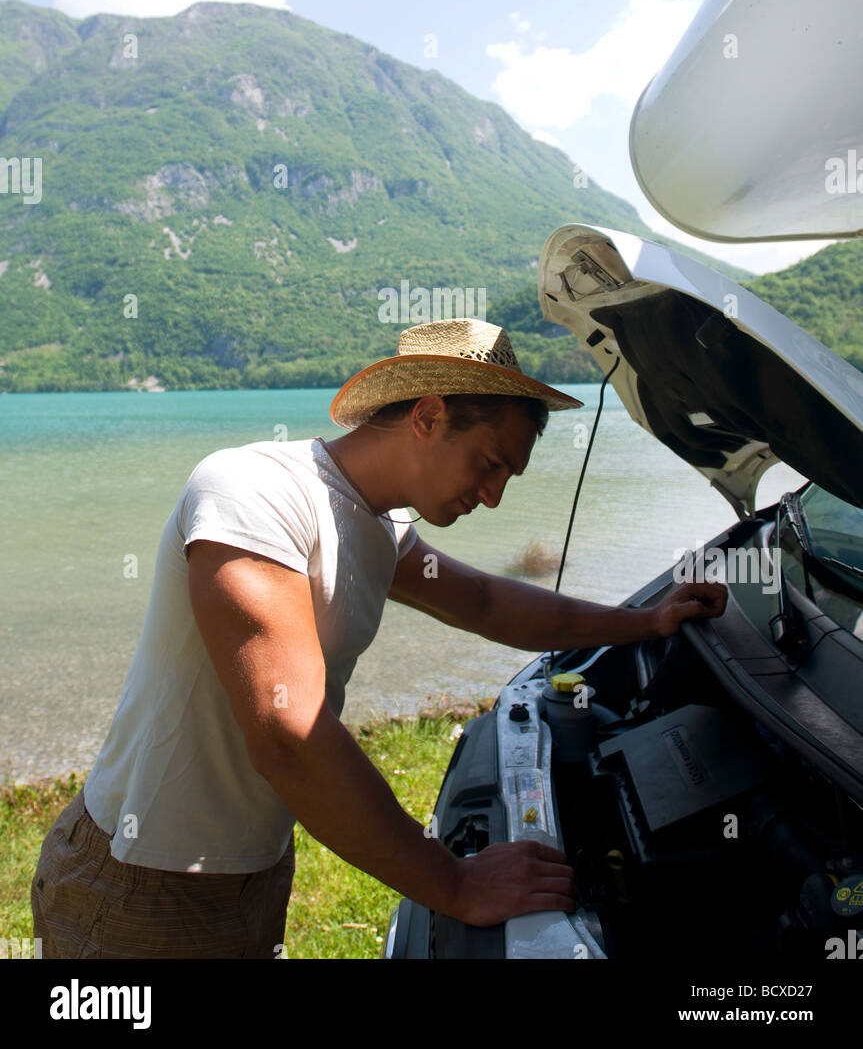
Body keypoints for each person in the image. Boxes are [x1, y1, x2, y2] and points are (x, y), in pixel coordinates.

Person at [30, 318, 727, 958]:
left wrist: (640, 620)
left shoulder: (383, 529)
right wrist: (450, 884)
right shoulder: (252, 492)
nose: (493, 497)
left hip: (254, 868)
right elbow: (285, 731)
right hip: (139, 882)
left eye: (507, 477)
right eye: (488, 464)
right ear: (428, 416)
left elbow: (486, 601)